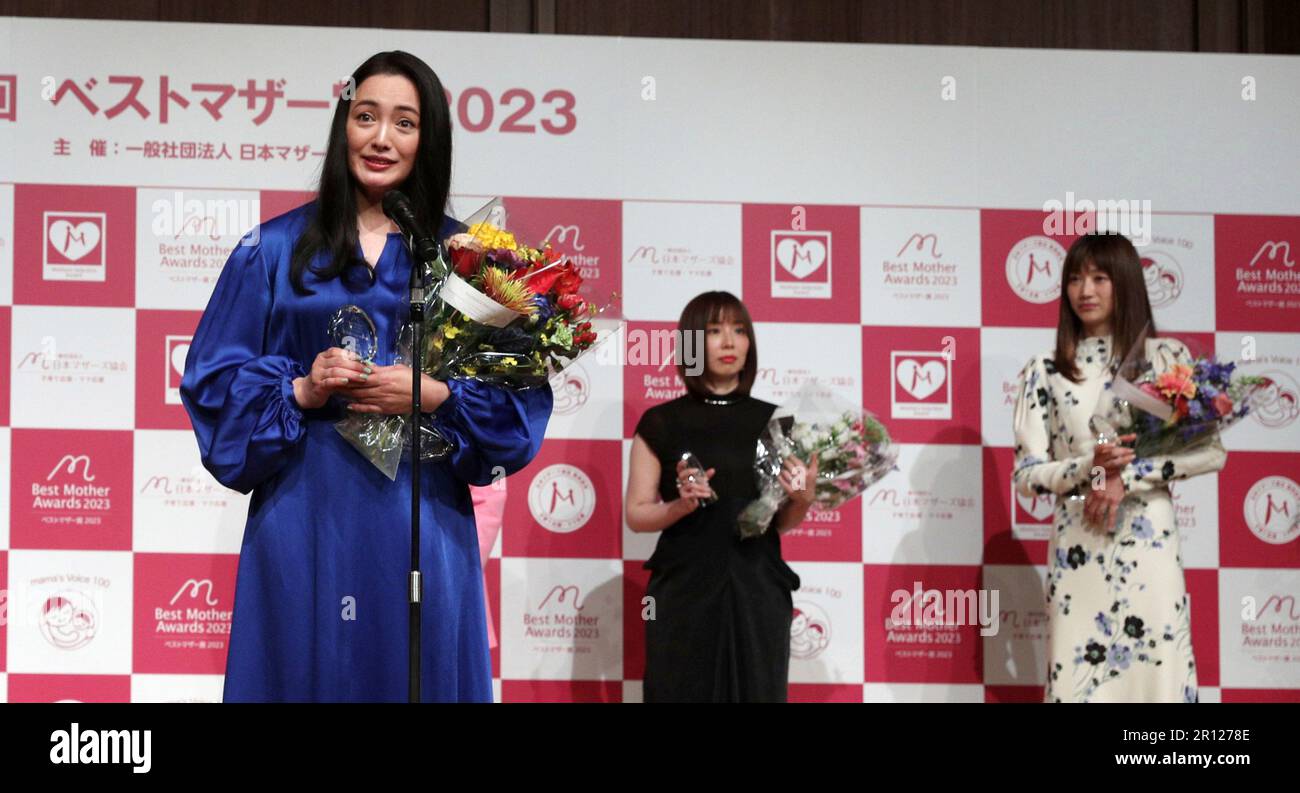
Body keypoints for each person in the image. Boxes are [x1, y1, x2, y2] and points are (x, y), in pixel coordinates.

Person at [180, 51, 552, 702]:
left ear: (427, 138)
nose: (381, 138)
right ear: (342, 126)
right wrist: (301, 387)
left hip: (422, 509)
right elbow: (214, 386)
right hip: (304, 507)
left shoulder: (471, 258)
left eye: (404, 123)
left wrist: (433, 393)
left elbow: (516, 408)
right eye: (366, 116)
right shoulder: (270, 250)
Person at [1011, 232, 1226, 703]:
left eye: (1099, 277)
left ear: (1125, 283)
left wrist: (1122, 476)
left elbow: (1210, 452)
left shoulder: (1165, 360)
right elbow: (1026, 475)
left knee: (1156, 677)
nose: (1084, 290)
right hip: (1080, 542)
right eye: (1074, 279)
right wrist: (1091, 468)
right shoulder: (1045, 368)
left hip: (1149, 541)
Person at [625, 291, 816, 702]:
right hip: (684, 588)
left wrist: (803, 496)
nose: (729, 342)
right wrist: (682, 504)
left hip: (759, 583)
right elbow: (637, 514)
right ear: (693, 343)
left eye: (739, 330)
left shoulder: (777, 421)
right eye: (714, 331)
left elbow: (781, 520)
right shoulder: (660, 422)